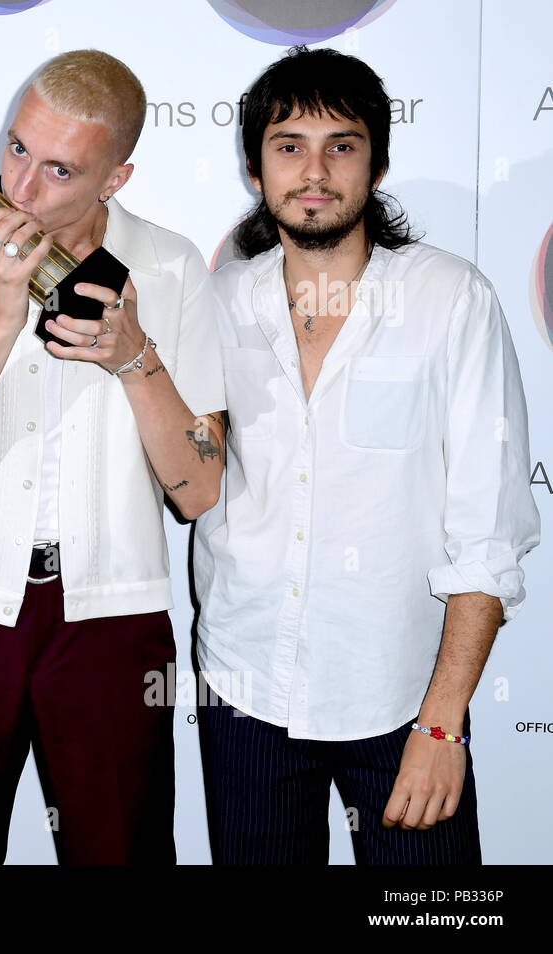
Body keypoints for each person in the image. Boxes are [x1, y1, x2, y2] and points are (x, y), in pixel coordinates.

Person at [194, 46, 540, 864]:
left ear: (377, 164)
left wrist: (441, 722)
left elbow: (490, 529)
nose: (314, 172)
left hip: (401, 694)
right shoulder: (217, 302)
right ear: (255, 168)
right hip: (246, 689)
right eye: (289, 146)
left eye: (341, 145)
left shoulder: (449, 298)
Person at [0, 49, 226, 864]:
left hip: (113, 613)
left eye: (60, 169)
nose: (22, 189)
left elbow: (200, 488)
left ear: (118, 177)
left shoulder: (171, 266)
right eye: (16, 150)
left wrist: (135, 356)